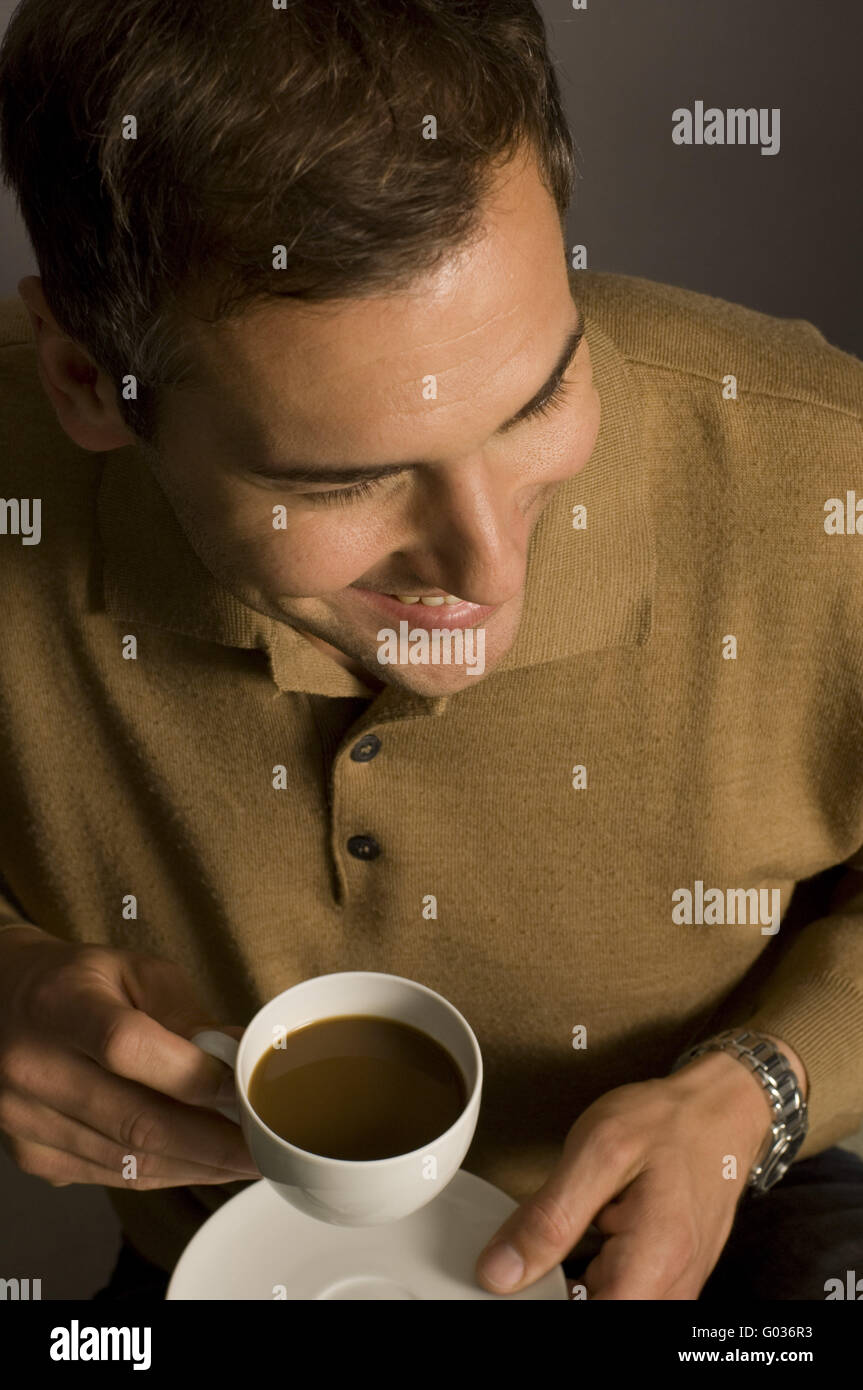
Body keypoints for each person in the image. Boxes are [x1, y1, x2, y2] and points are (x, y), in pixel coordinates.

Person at [0, 0, 861, 1302]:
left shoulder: (830, 476)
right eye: (347, 481)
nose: (486, 571)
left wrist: (763, 1095)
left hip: (743, 1229)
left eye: (540, 395)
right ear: (85, 382)